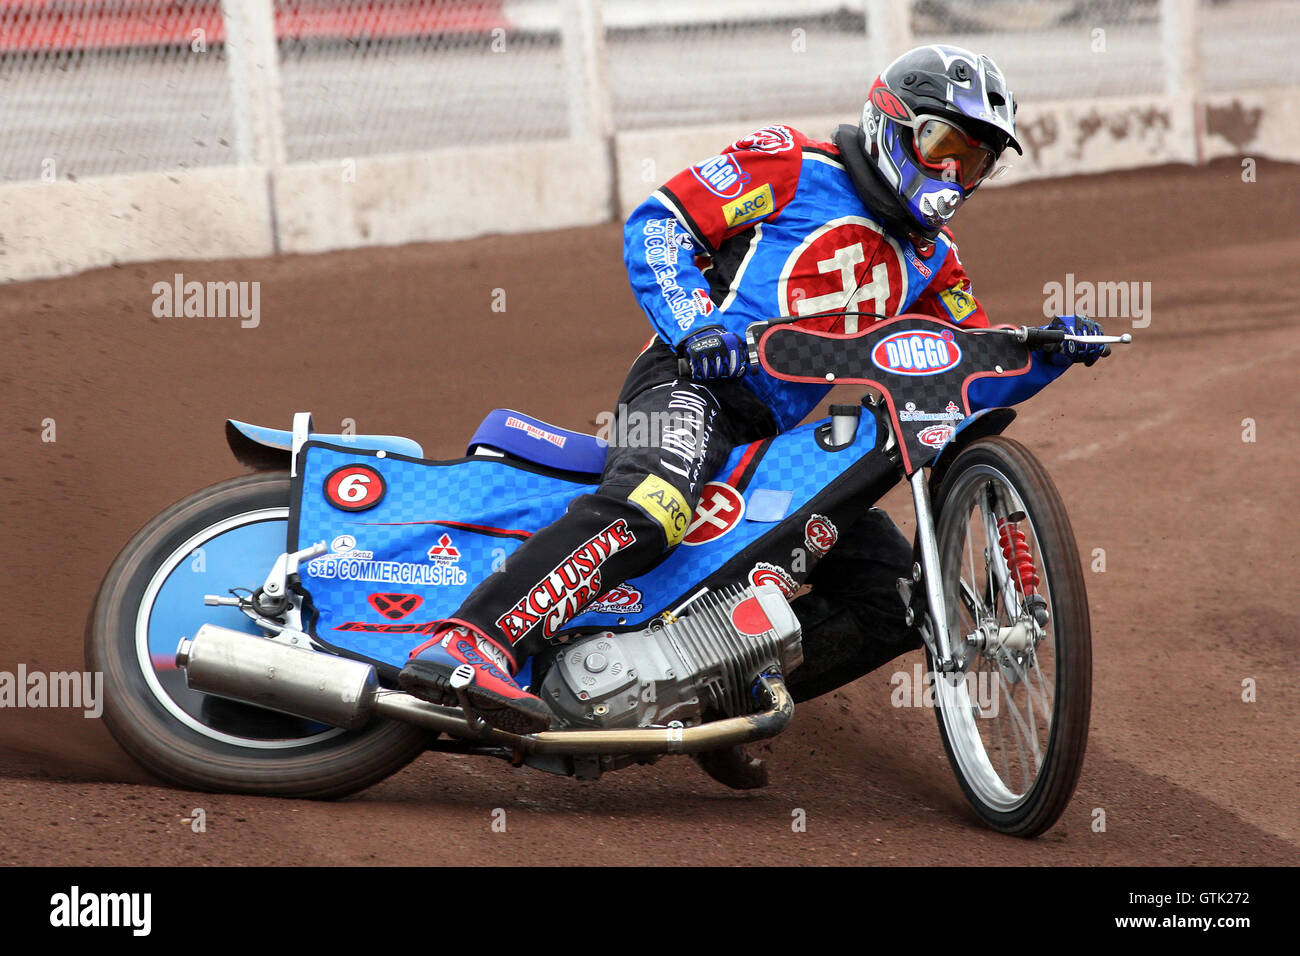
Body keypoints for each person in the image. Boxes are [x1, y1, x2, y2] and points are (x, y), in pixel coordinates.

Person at [398, 44, 1108, 734]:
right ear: (892, 123)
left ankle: (719, 705)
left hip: (773, 441)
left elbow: (962, 366)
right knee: (656, 503)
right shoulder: (791, 164)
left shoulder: (936, 261)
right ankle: (471, 641)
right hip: (688, 385)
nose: (955, 173)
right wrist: (692, 325)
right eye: (943, 144)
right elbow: (660, 225)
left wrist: (1045, 349)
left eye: (974, 160)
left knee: (896, 598)